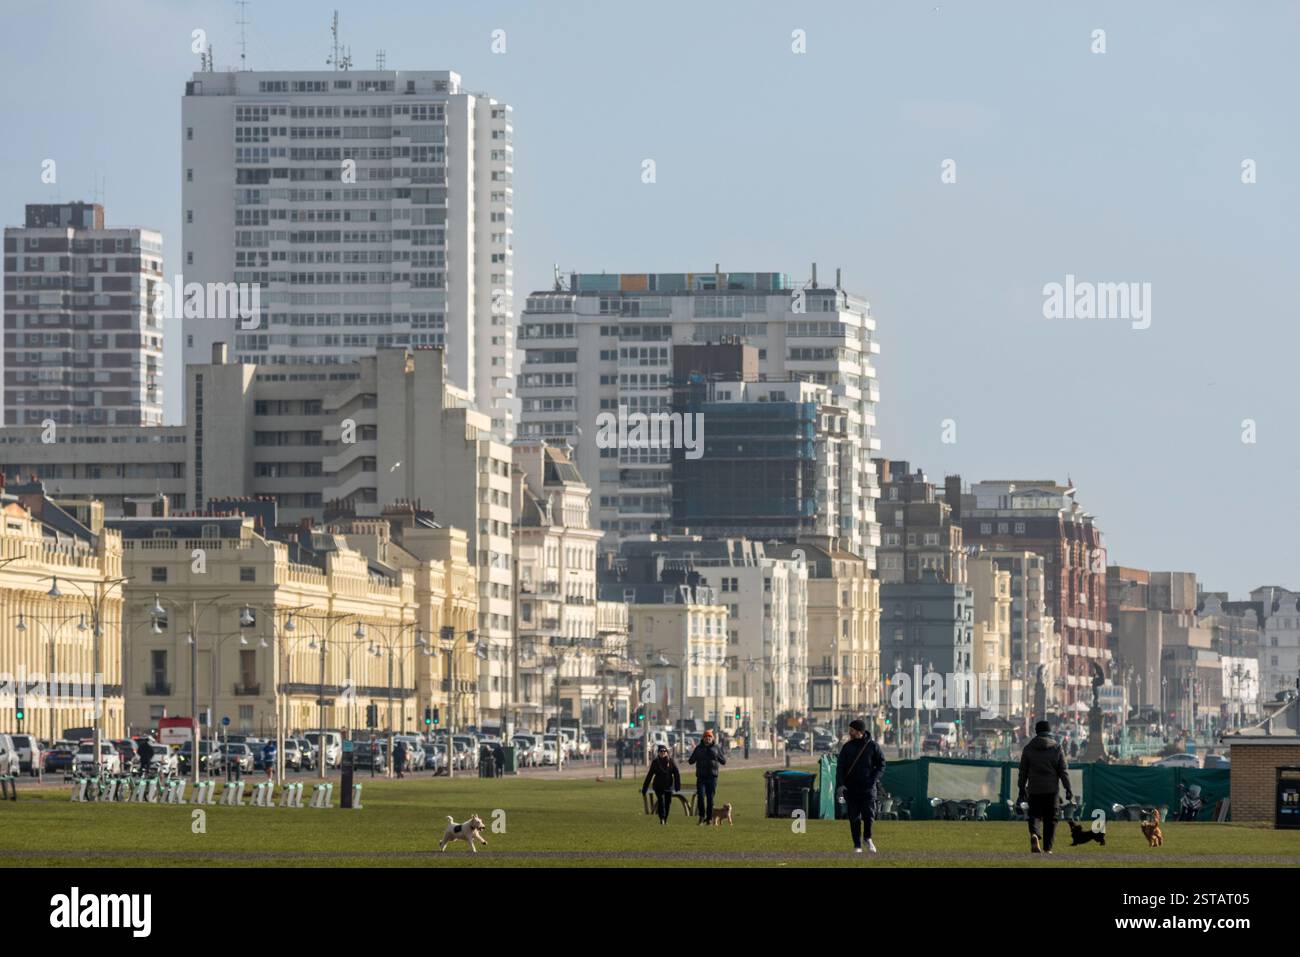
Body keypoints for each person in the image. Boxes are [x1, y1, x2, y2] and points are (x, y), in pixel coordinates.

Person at [1018, 719, 1073, 854]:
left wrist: (1021, 789)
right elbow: (1063, 771)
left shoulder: (1028, 749)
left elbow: (1023, 772)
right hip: (1051, 790)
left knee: (1034, 815)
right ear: (1049, 732)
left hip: (1034, 788)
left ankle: (1034, 835)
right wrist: (1068, 789)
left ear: (1036, 732)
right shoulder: (1057, 748)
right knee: (1051, 818)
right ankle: (1048, 848)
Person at [835, 718, 886, 854]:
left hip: (868, 788)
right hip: (851, 789)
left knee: (869, 815)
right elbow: (840, 767)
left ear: (859, 732)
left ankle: (867, 838)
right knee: (854, 817)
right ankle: (857, 845)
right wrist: (841, 785)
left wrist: (873, 779)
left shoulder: (873, 746)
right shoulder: (847, 747)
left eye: (851, 730)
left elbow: (881, 765)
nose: (849, 732)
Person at [688, 729, 727, 825]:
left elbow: (723, 761)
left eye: (709, 737)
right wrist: (693, 757)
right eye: (706, 737)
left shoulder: (716, 748)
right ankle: (701, 816)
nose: (708, 739)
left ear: (712, 738)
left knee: (710, 799)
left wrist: (717, 756)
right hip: (701, 777)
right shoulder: (698, 748)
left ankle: (709, 818)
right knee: (700, 797)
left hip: (712, 777)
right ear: (703, 738)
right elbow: (691, 761)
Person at [641, 745, 681, 825]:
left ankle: (665, 819)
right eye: (661, 751)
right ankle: (662, 818)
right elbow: (650, 775)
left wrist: (677, 785)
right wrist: (644, 788)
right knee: (661, 801)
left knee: (667, 803)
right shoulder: (655, 762)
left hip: (668, 786)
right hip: (658, 786)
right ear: (658, 753)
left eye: (664, 751)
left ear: (667, 752)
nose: (662, 753)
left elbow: (676, 774)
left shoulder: (671, 761)